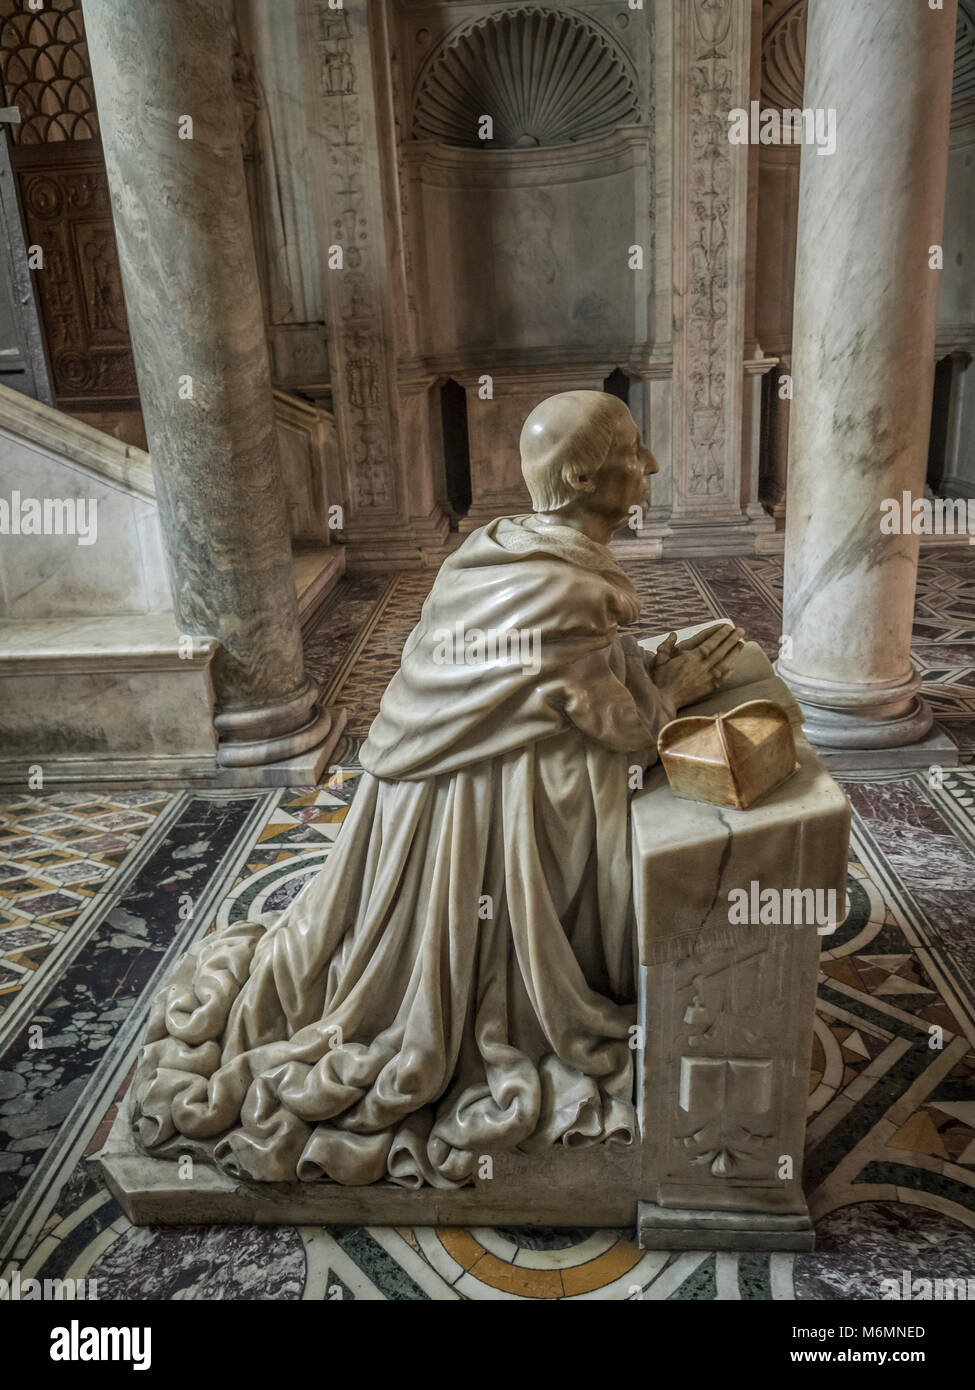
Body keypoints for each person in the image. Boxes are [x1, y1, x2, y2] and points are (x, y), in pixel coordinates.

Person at [131, 390, 744, 1188]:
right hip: (472, 816)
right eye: (634, 453)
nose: (651, 466)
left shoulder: (494, 548)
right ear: (589, 479)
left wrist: (641, 675)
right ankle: (514, 994)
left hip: (419, 793)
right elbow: (623, 730)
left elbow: (569, 685)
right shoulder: (562, 593)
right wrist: (673, 688)